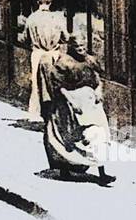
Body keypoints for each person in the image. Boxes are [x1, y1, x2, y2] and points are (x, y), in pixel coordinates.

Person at [39, 35, 115, 185]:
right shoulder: (64, 62)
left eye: (83, 47)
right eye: (78, 48)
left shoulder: (90, 60)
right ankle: (65, 169)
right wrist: (72, 102)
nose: (81, 50)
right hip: (71, 104)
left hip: (90, 103)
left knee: (98, 133)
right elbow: (58, 86)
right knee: (69, 135)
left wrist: (99, 90)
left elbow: (98, 78)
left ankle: (102, 173)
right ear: (72, 48)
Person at [22, 0, 67, 122]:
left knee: (36, 83)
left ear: (38, 2)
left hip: (38, 53)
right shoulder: (56, 18)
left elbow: (25, 38)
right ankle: (56, 110)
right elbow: (65, 37)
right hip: (53, 54)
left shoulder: (31, 18)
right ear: (50, 3)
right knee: (54, 82)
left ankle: (37, 112)